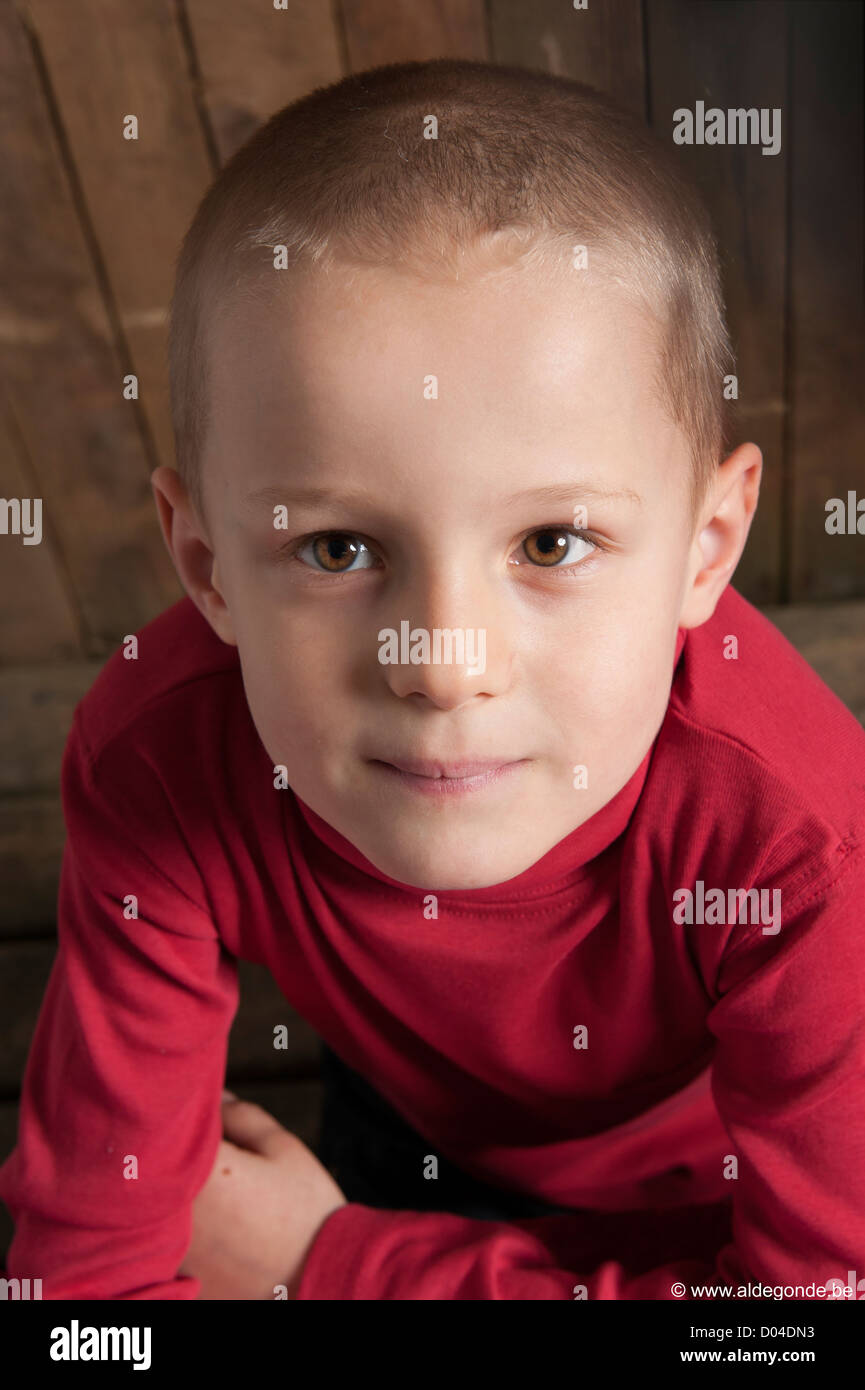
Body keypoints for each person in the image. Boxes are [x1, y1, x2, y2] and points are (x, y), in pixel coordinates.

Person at [1, 59, 863, 1301]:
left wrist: (332, 1261)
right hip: (407, 1128)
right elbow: (86, 1280)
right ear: (209, 566)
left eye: (551, 543)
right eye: (338, 548)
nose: (444, 664)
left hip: (731, 1187)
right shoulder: (157, 762)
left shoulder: (804, 847)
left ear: (704, 551)